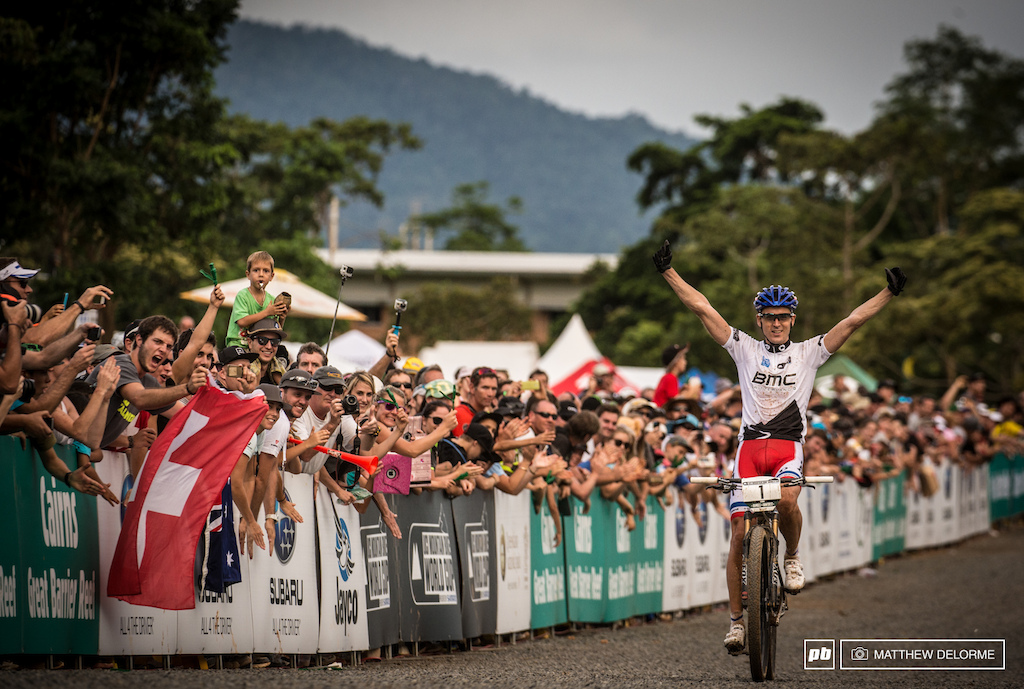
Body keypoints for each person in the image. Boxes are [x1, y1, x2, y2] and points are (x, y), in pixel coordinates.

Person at [653, 239, 906, 655]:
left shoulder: (809, 353)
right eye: (769, 318)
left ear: (792, 320)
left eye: (783, 318)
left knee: (788, 501)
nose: (776, 324)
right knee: (737, 534)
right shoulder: (743, 348)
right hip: (749, 449)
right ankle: (737, 622)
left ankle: (792, 556)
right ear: (759, 320)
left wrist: (889, 293)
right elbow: (702, 308)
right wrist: (668, 272)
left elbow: (853, 320)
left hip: (788, 447)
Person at [226, 250, 290, 347]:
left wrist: (282, 318)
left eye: (266, 271)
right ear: (248, 274)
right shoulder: (242, 295)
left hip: (259, 346)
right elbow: (242, 322)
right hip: (238, 344)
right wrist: (267, 312)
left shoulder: (272, 300)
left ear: (271, 276)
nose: (261, 274)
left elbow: (275, 329)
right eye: (256, 270)